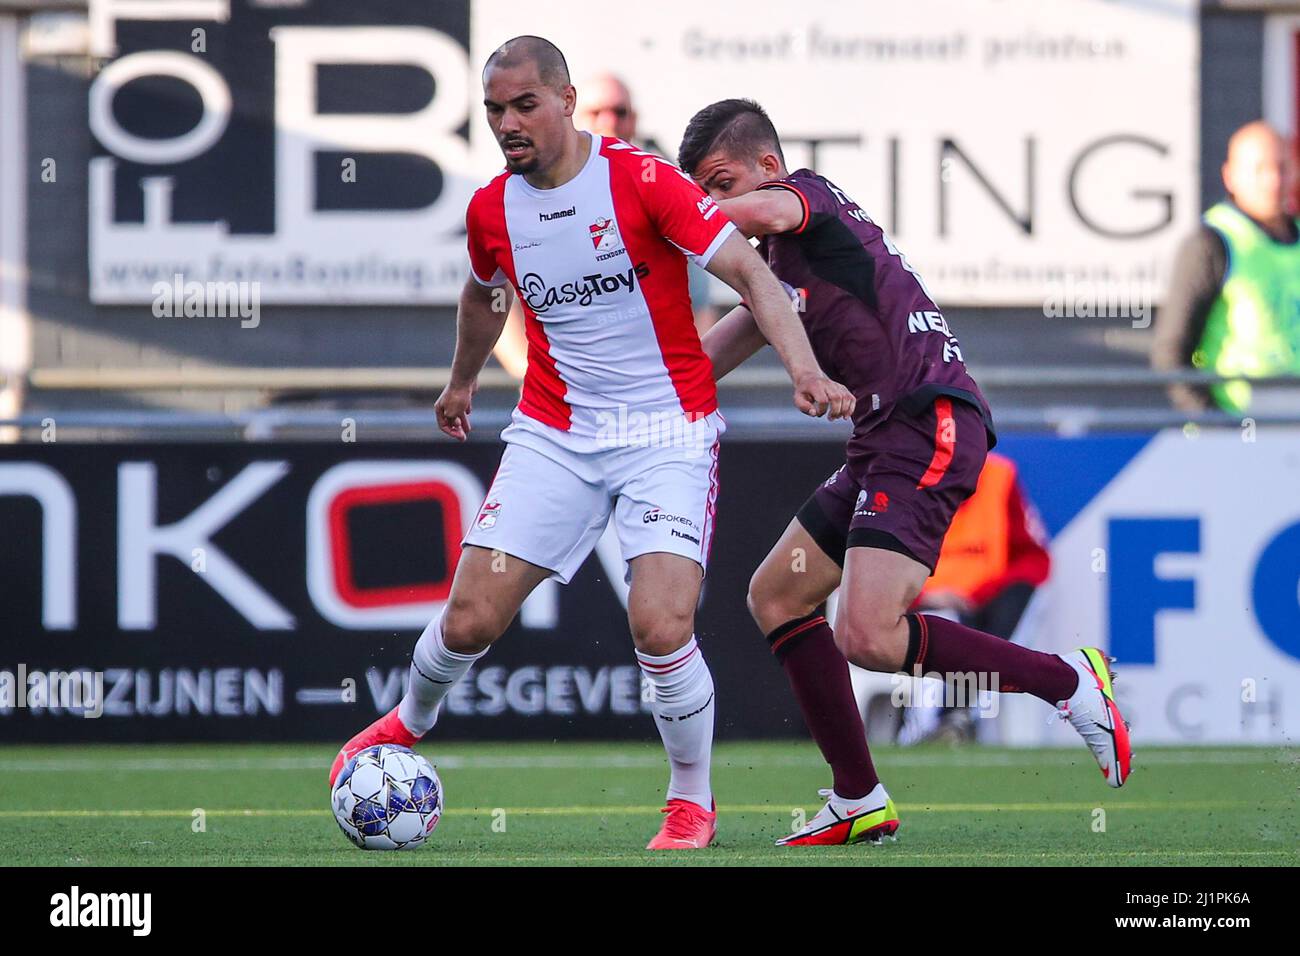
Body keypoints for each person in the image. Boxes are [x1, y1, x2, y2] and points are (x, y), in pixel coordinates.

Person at [329, 40, 854, 851]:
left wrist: (805, 369)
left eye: (524, 106)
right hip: (557, 434)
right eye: (495, 110)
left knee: (660, 622)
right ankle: (406, 722)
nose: (509, 124)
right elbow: (482, 296)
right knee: (468, 620)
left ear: (566, 100)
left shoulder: (643, 181)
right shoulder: (492, 209)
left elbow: (752, 274)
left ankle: (690, 802)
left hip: (666, 433)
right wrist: (462, 382)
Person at [678, 98, 1131, 846]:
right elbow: (696, 365)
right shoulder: (773, 272)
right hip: (883, 440)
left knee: (868, 633)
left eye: (721, 185)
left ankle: (1070, 681)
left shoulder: (809, 197)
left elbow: (764, 212)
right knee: (777, 594)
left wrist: (677, 211)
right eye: (703, 190)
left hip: (930, 422)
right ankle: (858, 797)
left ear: (766, 167)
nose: (717, 205)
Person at [490, 72, 719, 379]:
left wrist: (683, 376)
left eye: (619, 112)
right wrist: (531, 372)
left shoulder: (661, 188)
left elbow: (701, 304)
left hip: (644, 392)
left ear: (634, 120)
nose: (609, 122)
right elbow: (494, 301)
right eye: (597, 112)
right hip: (559, 401)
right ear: (570, 114)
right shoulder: (526, 192)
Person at [901, 451, 1052, 745]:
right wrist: (922, 596)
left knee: (1007, 610)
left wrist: (985, 593)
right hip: (922, 603)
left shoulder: (998, 476)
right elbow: (867, 564)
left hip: (984, 601)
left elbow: (1033, 558)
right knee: (948, 625)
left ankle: (955, 716)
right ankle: (944, 720)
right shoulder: (902, 479)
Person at [1152, 120, 1300, 415]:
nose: (1273, 180)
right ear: (1230, 176)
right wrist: (1218, 426)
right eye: (1259, 169)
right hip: (1239, 430)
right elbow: (1171, 353)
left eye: (1282, 167)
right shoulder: (1212, 243)